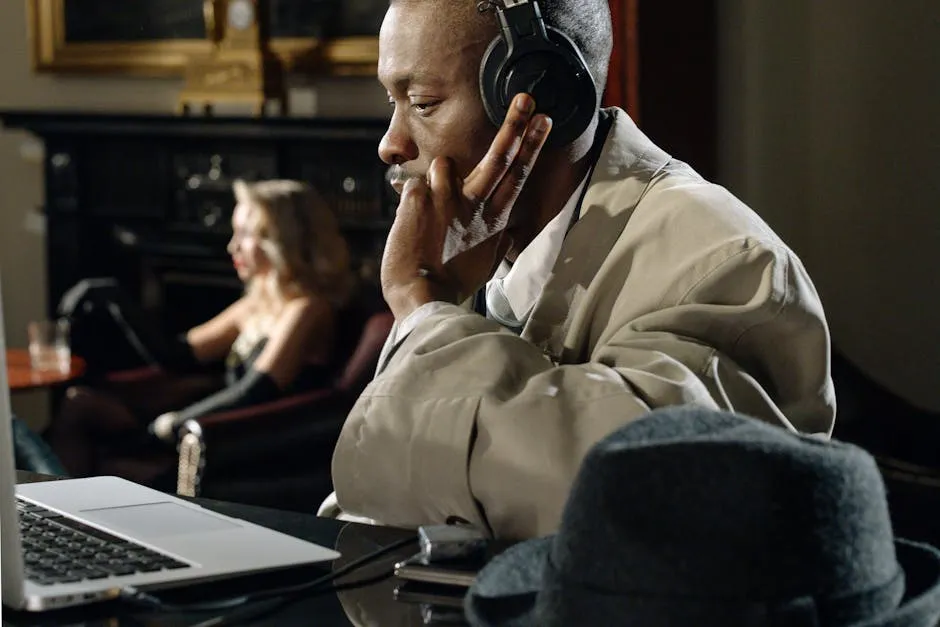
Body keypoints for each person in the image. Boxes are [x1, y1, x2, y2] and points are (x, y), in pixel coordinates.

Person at [324, 0, 836, 539]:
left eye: (422, 103)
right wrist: (442, 302)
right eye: (392, 101)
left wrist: (422, 307)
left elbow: (620, 500)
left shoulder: (729, 266)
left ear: (540, 96)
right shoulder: (472, 255)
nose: (391, 143)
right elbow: (372, 505)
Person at [46, 179, 355, 481]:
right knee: (79, 403)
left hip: (239, 442)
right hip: (201, 424)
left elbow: (257, 391)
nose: (232, 246)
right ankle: (52, 514)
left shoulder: (308, 309)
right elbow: (177, 355)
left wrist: (177, 423)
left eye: (245, 234)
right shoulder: (255, 304)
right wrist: (115, 299)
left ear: (283, 241)